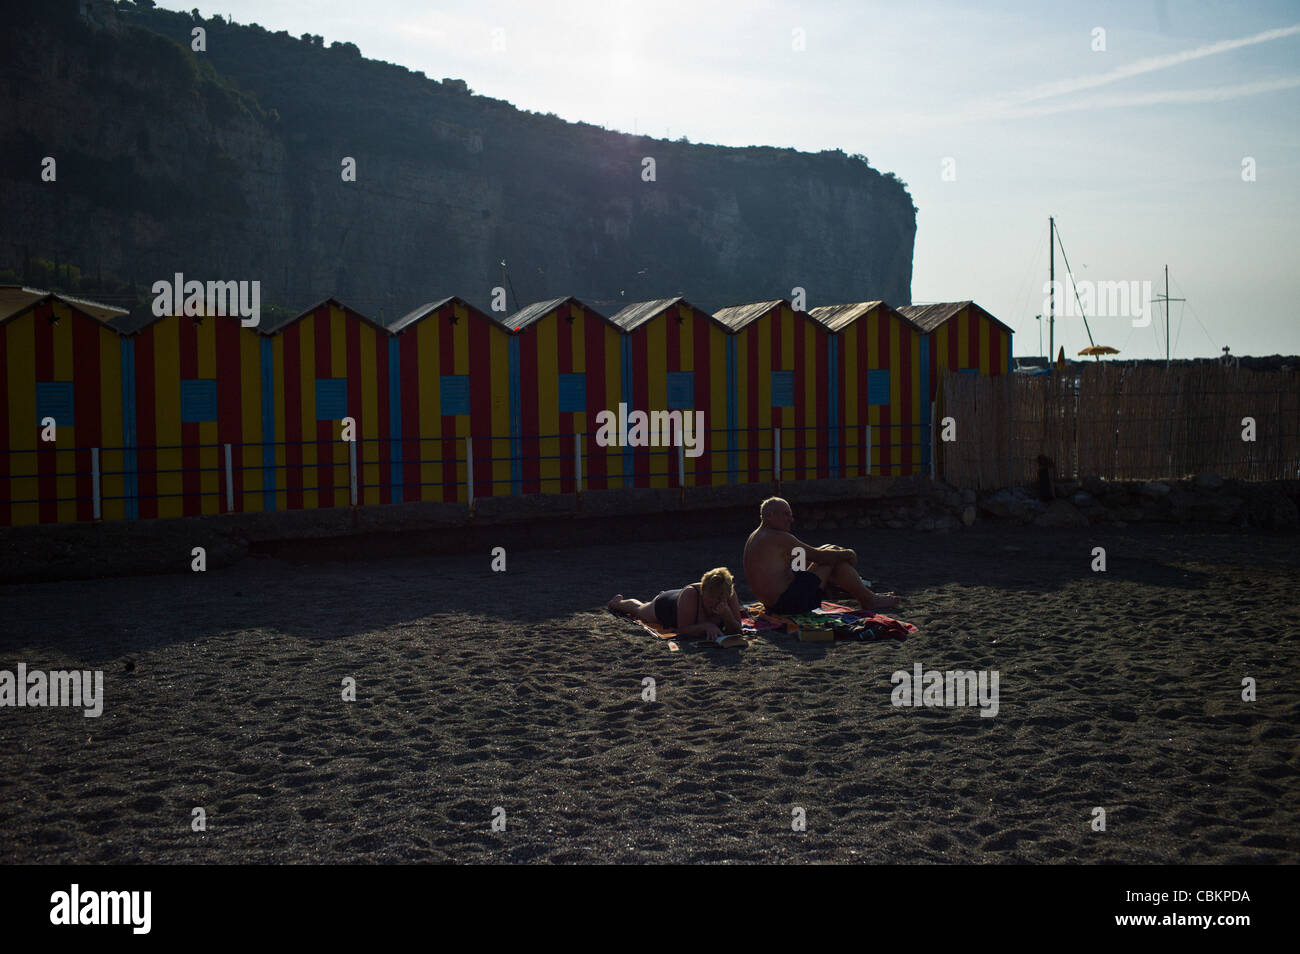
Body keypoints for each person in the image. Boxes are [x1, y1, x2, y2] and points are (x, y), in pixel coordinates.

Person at [743, 496, 900, 614]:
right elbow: (821, 557)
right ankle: (869, 599)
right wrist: (849, 554)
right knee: (832, 556)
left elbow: (802, 559)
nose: (791, 519)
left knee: (830, 552)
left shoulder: (756, 536)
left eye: (790, 515)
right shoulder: (779, 537)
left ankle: (862, 594)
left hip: (774, 603)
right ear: (769, 515)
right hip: (789, 604)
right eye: (785, 514)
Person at [608, 567, 744, 640]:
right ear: (704, 591)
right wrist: (706, 626)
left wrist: (727, 615)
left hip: (681, 601)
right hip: (666, 605)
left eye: (720, 598)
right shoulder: (692, 595)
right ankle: (617, 602)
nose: (716, 602)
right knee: (639, 610)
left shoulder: (729, 594)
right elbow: (683, 630)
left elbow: (737, 630)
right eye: (712, 597)